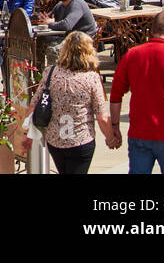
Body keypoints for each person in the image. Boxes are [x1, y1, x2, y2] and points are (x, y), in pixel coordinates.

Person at [109, 10, 164, 174]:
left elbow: (115, 94)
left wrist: (114, 126)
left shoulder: (132, 55)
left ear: (151, 31)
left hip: (139, 133)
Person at [24, 31, 114, 174]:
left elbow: (34, 104)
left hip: (55, 141)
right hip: (81, 141)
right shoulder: (91, 78)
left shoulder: (50, 72)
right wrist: (111, 138)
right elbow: (102, 116)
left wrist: (27, 134)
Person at [34, 0, 99, 43]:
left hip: (82, 41)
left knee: (52, 48)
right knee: (38, 40)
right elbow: (47, 18)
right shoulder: (60, 5)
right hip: (68, 37)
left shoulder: (77, 4)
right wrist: (42, 19)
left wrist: (49, 23)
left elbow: (67, 25)